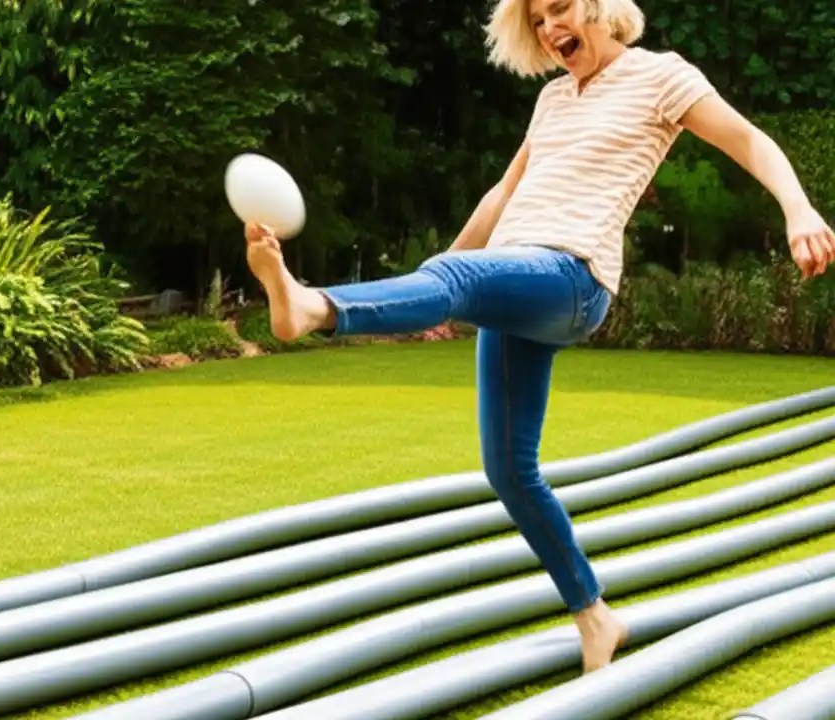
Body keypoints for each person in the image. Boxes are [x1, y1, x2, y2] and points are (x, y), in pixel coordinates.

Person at [243, 0, 835, 674]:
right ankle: (595, 617)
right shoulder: (552, 99)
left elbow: (750, 140)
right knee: (509, 470)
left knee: (455, 278)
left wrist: (799, 209)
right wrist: (428, 287)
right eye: (538, 19)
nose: (551, 27)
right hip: (510, 279)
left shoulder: (662, 77)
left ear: (600, 8)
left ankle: (310, 308)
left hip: (571, 277)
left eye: (560, 9)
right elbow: (502, 194)